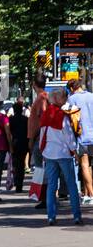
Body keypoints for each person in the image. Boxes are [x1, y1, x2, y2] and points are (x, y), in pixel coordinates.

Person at [39, 85, 82, 225]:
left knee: (51, 186)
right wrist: (74, 151)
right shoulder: (62, 115)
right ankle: (76, 215)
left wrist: (42, 150)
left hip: (50, 153)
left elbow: (42, 134)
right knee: (71, 185)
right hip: (63, 153)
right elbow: (68, 136)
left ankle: (51, 216)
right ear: (58, 99)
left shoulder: (46, 114)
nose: (66, 98)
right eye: (64, 96)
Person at [67, 76, 93, 207]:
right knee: (89, 167)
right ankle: (87, 193)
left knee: (84, 165)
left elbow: (70, 120)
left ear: (72, 88)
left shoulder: (72, 99)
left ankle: (91, 195)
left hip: (83, 137)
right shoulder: (92, 96)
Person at [28, 78, 50, 211]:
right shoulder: (44, 97)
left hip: (39, 137)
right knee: (43, 167)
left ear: (34, 84)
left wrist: (32, 138)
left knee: (40, 168)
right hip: (41, 137)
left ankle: (44, 197)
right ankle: (45, 197)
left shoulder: (41, 98)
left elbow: (42, 117)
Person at [8, 99, 29, 193]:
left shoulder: (11, 119)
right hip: (24, 143)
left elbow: (9, 132)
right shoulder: (25, 119)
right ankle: (20, 183)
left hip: (14, 143)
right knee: (21, 165)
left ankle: (17, 182)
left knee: (16, 164)